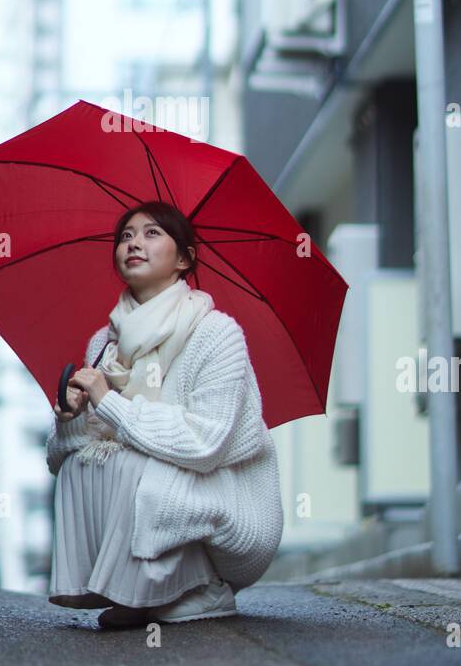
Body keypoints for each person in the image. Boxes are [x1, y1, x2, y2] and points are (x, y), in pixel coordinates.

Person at [46, 200, 284, 630]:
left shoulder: (217, 334)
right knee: (80, 466)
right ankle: (137, 591)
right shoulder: (105, 341)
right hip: (158, 474)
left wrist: (111, 402)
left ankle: (202, 585)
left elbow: (203, 445)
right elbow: (68, 453)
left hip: (220, 490)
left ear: (185, 259)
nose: (134, 242)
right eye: (126, 235)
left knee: (136, 464)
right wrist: (71, 418)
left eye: (153, 233)